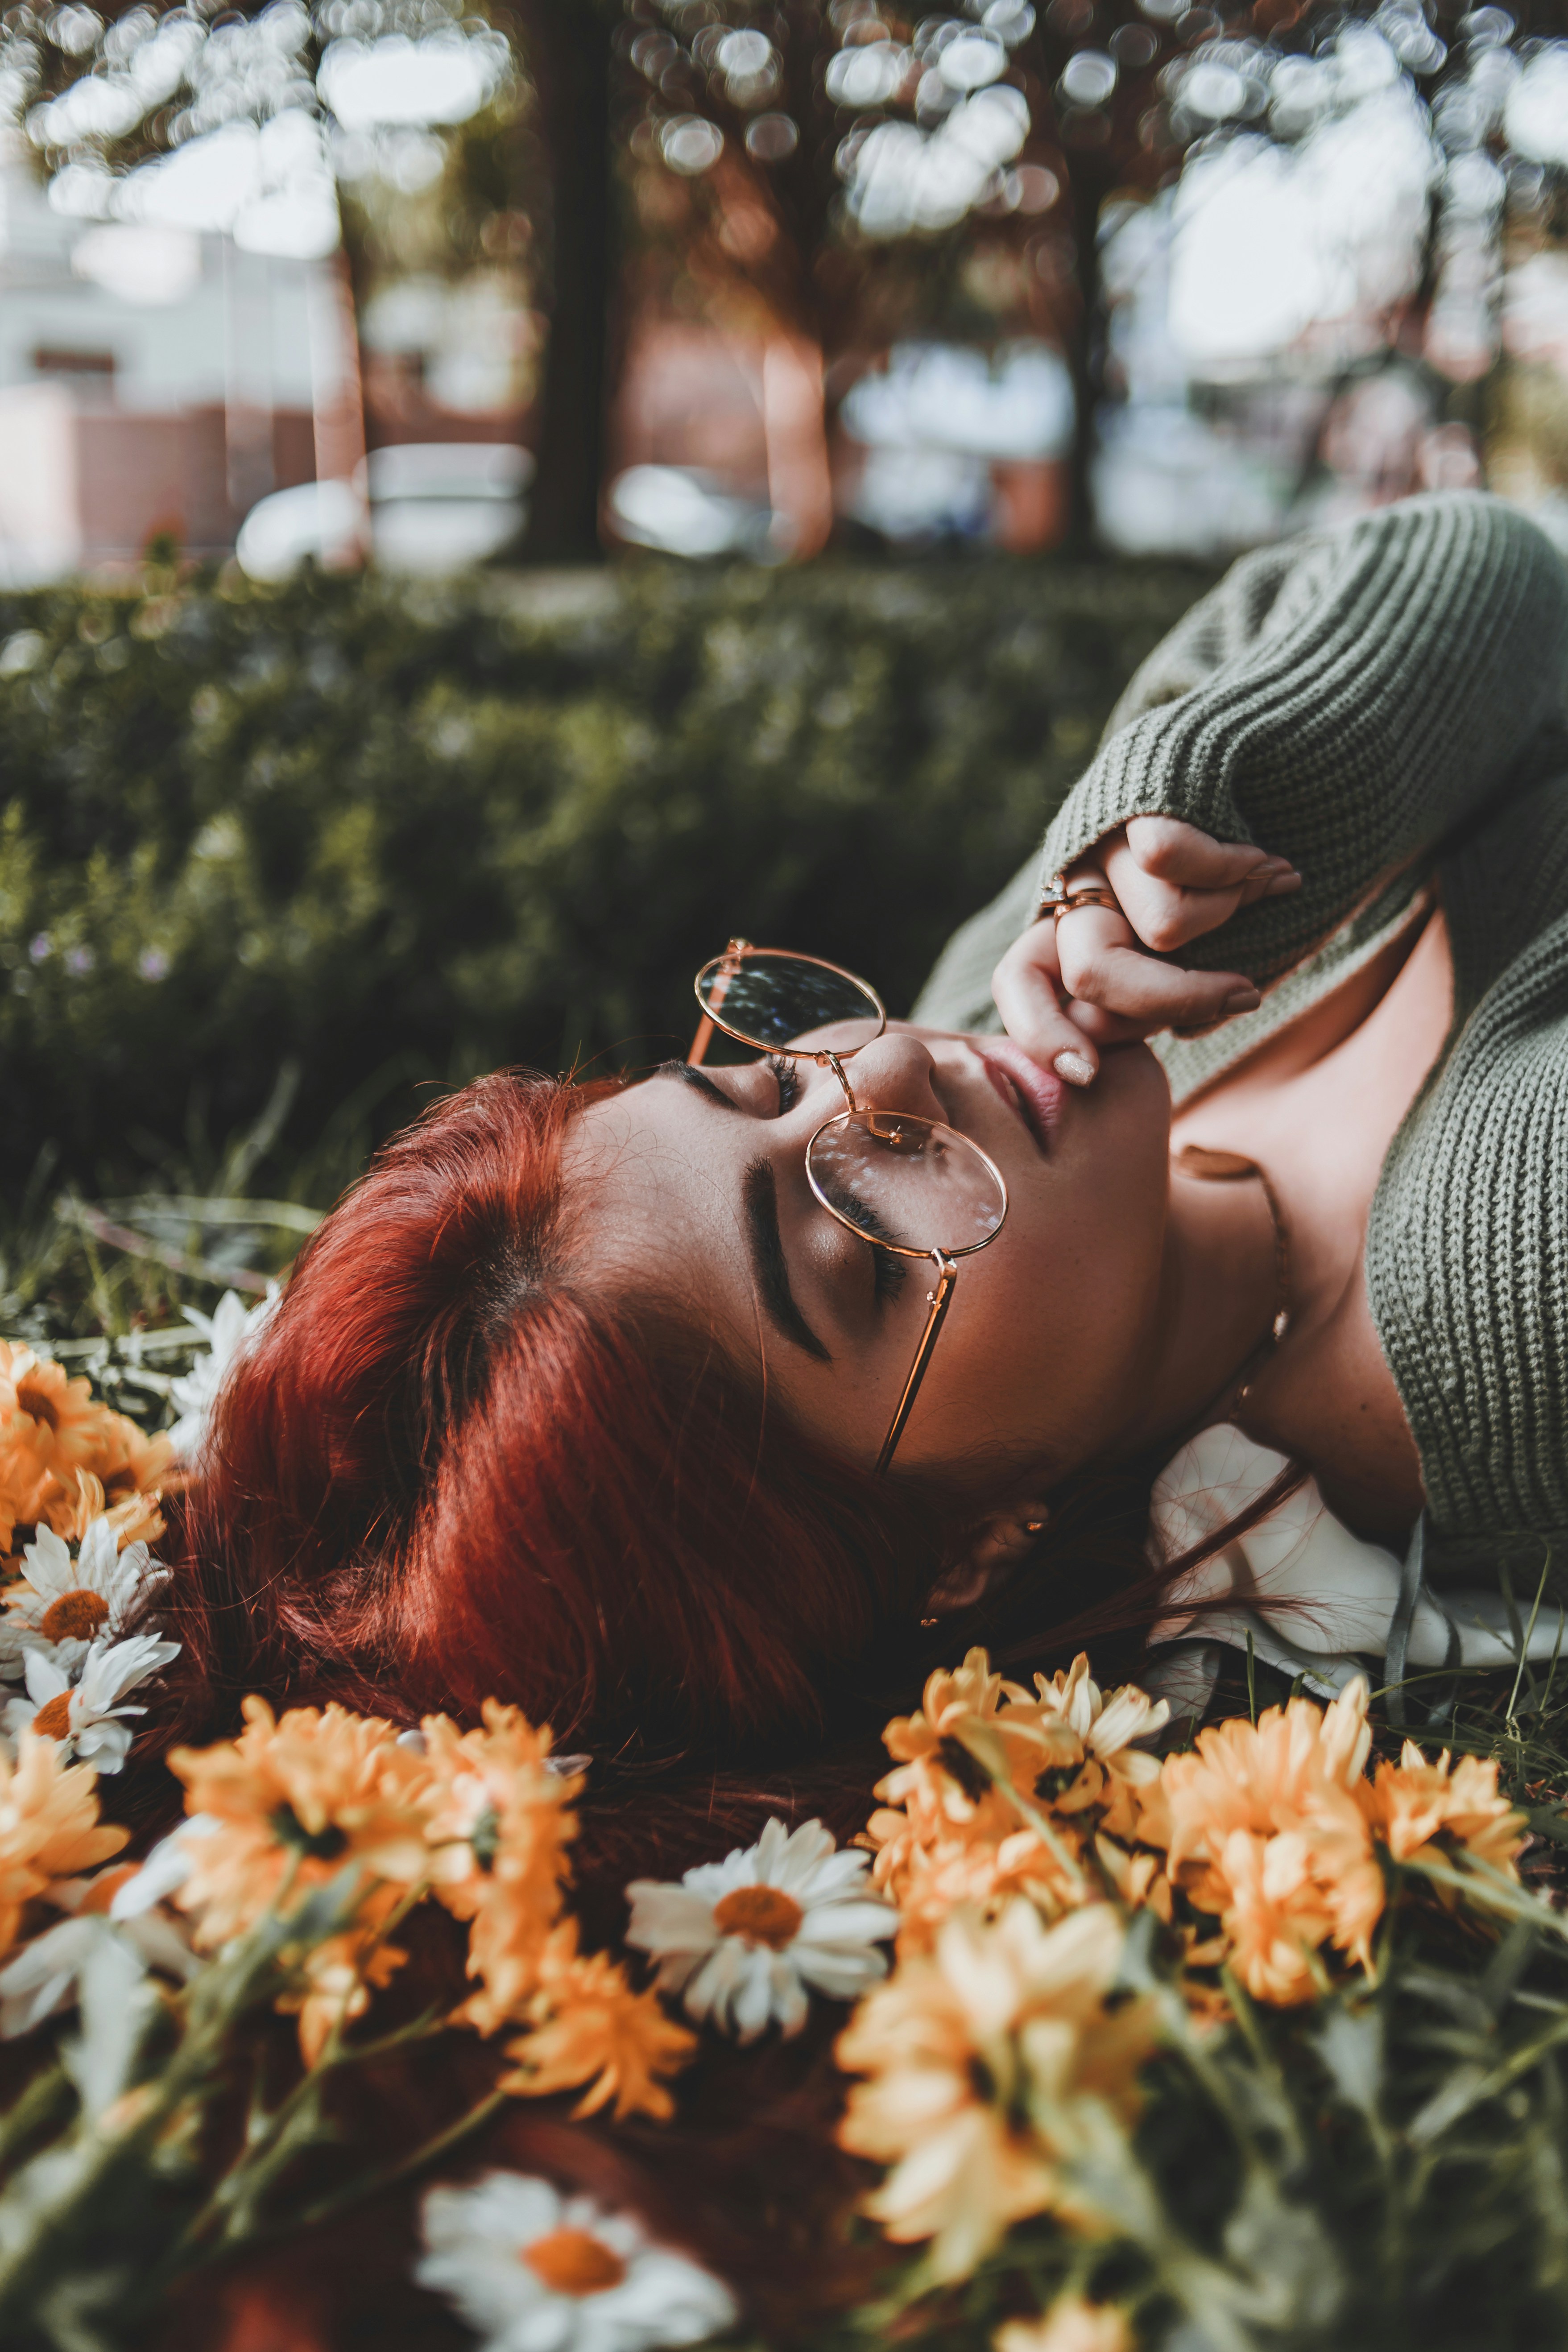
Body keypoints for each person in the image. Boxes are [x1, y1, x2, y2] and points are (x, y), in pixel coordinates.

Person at [157, 490, 1568, 1779]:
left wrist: (1224, 797)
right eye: (861, 1253)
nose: (888, 1061)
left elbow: (1480, 566)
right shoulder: (1502, 1292)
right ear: (963, 1552)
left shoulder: (1009, 1013)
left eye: (762, 1084)